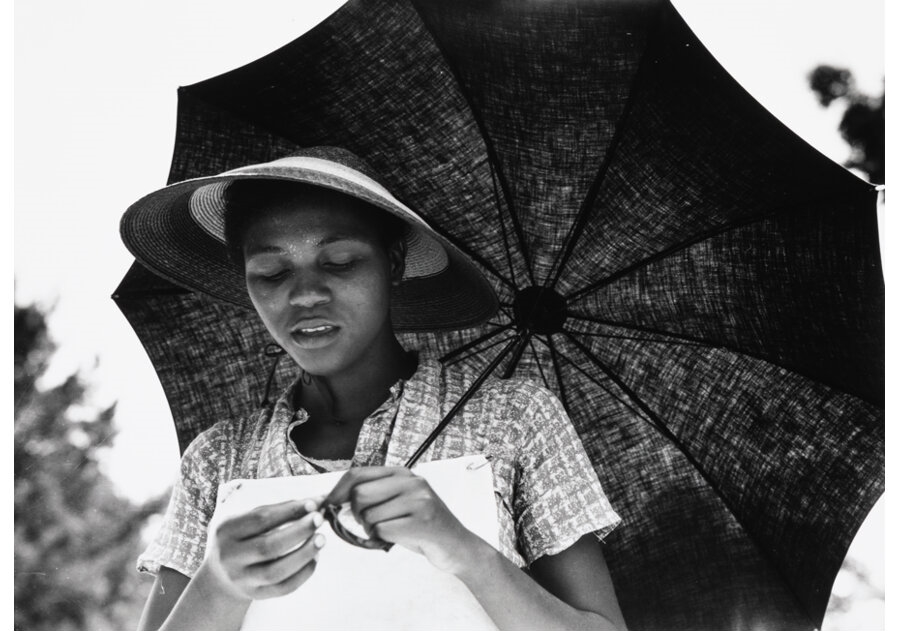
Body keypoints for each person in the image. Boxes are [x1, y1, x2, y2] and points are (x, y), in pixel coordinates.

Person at [122, 147, 627, 631]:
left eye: (340, 261)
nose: (306, 295)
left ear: (394, 262)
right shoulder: (219, 460)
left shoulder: (511, 419)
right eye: (272, 273)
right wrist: (218, 586)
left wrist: (463, 550)